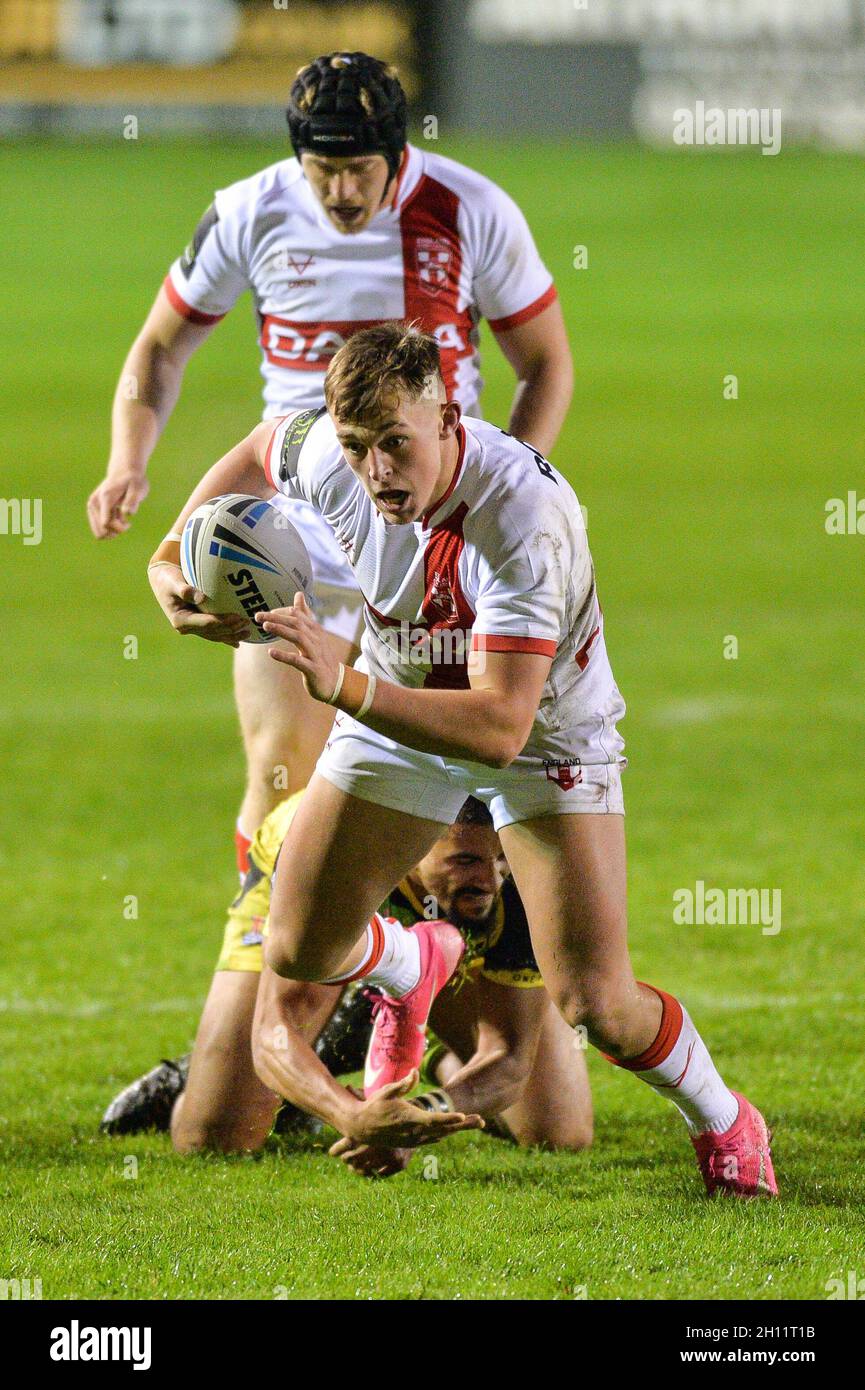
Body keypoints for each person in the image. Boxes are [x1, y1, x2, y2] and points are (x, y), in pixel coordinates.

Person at [147, 321, 778, 1199]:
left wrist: (343, 683)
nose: (377, 473)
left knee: (595, 1005)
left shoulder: (520, 519)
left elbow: (499, 728)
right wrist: (171, 553)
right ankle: (415, 962)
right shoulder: (334, 459)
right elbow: (262, 446)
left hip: (543, 732)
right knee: (298, 943)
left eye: (396, 445)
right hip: (399, 695)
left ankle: (722, 1119)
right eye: (359, 448)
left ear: (447, 417)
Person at [87, 50, 573, 888]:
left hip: (430, 540)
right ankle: (274, 972)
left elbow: (546, 364)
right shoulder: (249, 212)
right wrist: (128, 462)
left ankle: (429, 977)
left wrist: (497, 499)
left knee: (447, 790)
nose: (341, 192)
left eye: (358, 171)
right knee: (281, 767)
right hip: (291, 528)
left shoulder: (468, 209)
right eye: (322, 171)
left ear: (396, 156)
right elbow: (160, 348)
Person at [101, 795, 593, 1175]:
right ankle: (197, 1073)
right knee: (216, 1136)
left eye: (501, 858)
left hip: (437, 950)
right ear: (417, 841)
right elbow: (277, 1026)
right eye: (465, 861)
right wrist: (348, 1115)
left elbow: (508, 1056)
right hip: (303, 893)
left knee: (556, 1129)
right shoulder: (338, 856)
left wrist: (417, 1115)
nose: (489, 880)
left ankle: (397, 1037)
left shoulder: (521, 881)